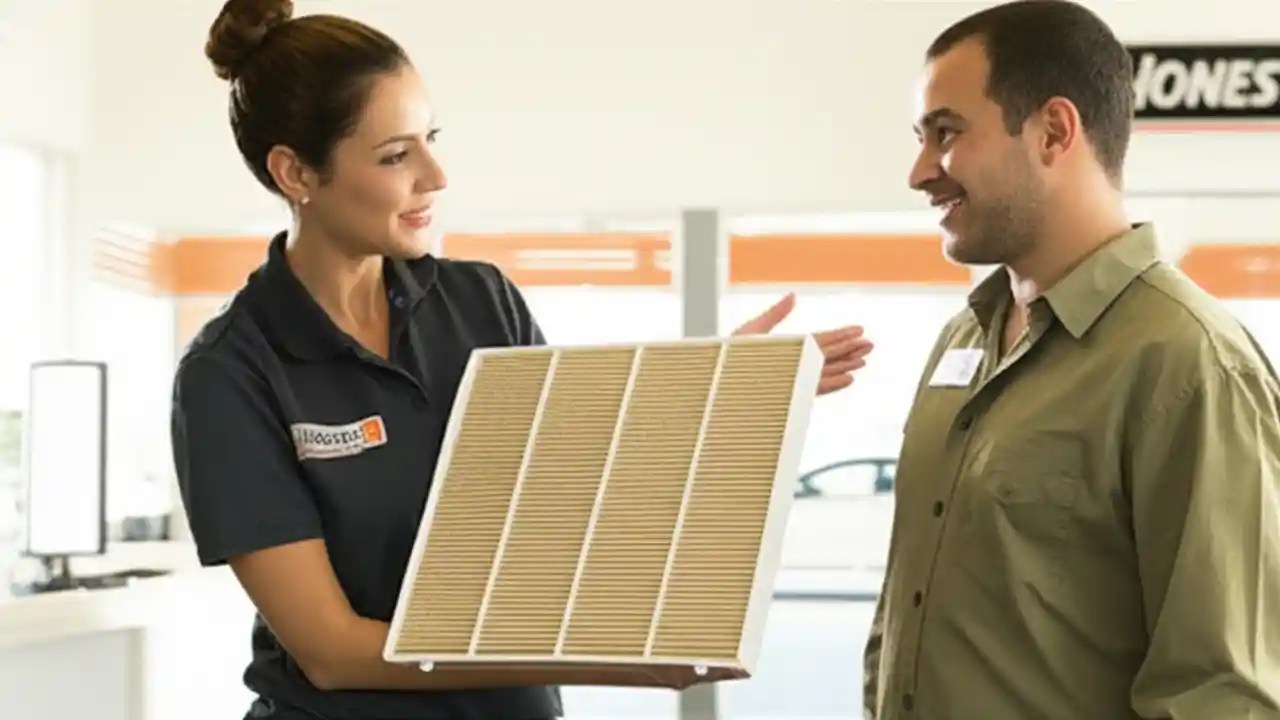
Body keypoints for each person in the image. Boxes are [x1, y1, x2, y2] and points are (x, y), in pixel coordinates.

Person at [170, 1, 874, 719]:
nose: (435, 175)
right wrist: (613, 660)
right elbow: (331, 652)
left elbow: (570, 491)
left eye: (430, 139)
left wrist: (717, 393)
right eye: (395, 156)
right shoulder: (232, 373)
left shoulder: (481, 302)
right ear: (295, 172)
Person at [863, 1, 1280, 718]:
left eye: (946, 133)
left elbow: (1223, 694)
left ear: (1054, 131)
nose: (920, 171)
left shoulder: (1189, 365)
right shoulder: (962, 342)